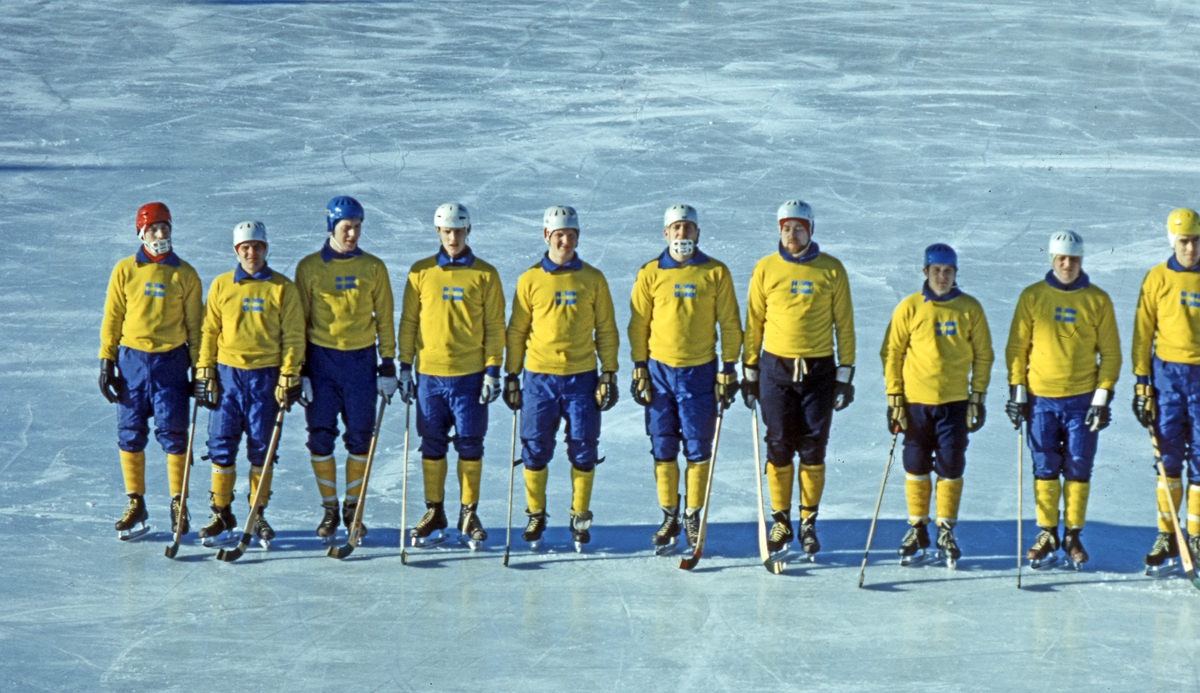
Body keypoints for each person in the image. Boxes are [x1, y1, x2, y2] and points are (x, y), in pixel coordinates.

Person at [741, 200, 855, 561]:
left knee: (812, 446)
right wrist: (749, 371)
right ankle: (780, 520)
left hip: (819, 369)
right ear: (779, 230)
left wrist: (845, 374)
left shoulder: (831, 270)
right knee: (778, 443)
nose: (793, 234)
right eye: (787, 228)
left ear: (811, 230)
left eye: (800, 228)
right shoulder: (766, 268)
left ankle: (807, 521)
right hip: (775, 369)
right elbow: (754, 322)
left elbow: (845, 325)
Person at [503, 206, 620, 550]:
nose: (565, 241)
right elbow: (516, 332)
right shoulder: (530, 280)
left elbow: (607, 330)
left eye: (571, 235)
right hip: (539, 377)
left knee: (584, 447)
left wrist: (609, 372)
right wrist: (512, 374)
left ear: (578, 237)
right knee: (535, 448)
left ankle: (580, 515)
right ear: (546, 236)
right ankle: (535, 514)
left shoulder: (593, 279)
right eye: (559, 236)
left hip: (582, 377)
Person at [628, 204, 743, 551]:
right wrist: (639, 366)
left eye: (688, 228)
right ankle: (669, 516)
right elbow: (638, 324)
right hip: (660, 372)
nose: (682, 235)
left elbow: (730, 323)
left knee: (697, 448)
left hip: (700, 372)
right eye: (676, 229)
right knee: (663, 446)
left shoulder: (715, 272)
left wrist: (728, 367)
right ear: (665, 234)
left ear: (698, 233)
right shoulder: (650, 273)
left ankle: (692, 514)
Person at [1005, 231, 1120, 569]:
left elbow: (1110, 354)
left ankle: (1071, 533)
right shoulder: (1032, 297)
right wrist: (1018, 391)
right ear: (1052, 259)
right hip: (1041, 398)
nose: (1067, 264)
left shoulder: (1097, 300)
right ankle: (1046, 532)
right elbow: (1017, 348)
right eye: (1061, 258)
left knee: (1078, 464)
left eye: (1073, 259)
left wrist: (1102, 396)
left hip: (1082, 399)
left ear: (1081, 261)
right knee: (1044, 464)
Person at [398, 203, 506, 548]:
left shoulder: (485, 275)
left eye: (459, 231)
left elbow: (494, 326)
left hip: (469, 375)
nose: (453, 237)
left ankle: (468, 512)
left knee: (471, 444)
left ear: (468, 231)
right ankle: (435, 511)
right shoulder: (420, 273)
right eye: (447, 231)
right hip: (430, 375)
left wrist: (493, 369)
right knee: (431, 444)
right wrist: (403, 365)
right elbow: (409, 322)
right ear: (438, 232)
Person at [880, 243, 993, 567]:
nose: (942, 277)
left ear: (955, 273)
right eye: (936, 271)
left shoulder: (969, 308)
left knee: (951, 463)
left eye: (948, 271)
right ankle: (917, 528)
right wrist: (894, 399)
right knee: (914, 462)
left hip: (955, 403)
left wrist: (978, 397)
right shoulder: (910, 307)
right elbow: (891, 353)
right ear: (925, 272)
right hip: (915, 404)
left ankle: (945, 528)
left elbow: (983, 355)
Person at [193, 221, 305, 546]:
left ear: (266, 249)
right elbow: (209, 332)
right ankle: (221, 513)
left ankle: (257, 515)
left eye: (257, 247)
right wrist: (205, 371)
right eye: (245, 248)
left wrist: (289, 374)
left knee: (262, 448)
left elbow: (293, 336)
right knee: (221, 444)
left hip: (266, 378)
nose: (251, 253)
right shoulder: (221, 286)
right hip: (228, 377)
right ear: (236, 251)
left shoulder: (282, 288)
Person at [294, 196, 396, 543]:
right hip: (322, 362)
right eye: (345, 227)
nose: (352, 234)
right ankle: (329, 509)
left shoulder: (373, 268)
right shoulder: (309, 268)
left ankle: (353, 508)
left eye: (357, 227)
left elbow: (384, 318)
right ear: (331, 228)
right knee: (320, 437)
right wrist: (301, 369)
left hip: (360, 362)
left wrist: (388, 363)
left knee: (360, 436)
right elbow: (299, 321)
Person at [98, 202, 203, 539]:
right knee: (130, 431)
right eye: (154, 229)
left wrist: (201, 370)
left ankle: (178, 500)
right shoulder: (125, 271)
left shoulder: (183, 274)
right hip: (131, 362)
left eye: (166, 227)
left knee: (174, 432)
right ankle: (136, 502)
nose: (161, 234)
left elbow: (196, 327)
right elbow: (113, 318)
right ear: (142, 233)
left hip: (171, 361)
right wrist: (106, 361)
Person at [1132, 208, 1200, 572]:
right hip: (1166, 379)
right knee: (1168, 459)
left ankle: (1196, 537)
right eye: (1184, 242)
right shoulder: (1157, 279)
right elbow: (1143, 332)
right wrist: (1142, 383)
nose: (1190, 249)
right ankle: (1168, 534)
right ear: (1173, 241)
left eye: (1196, 241)